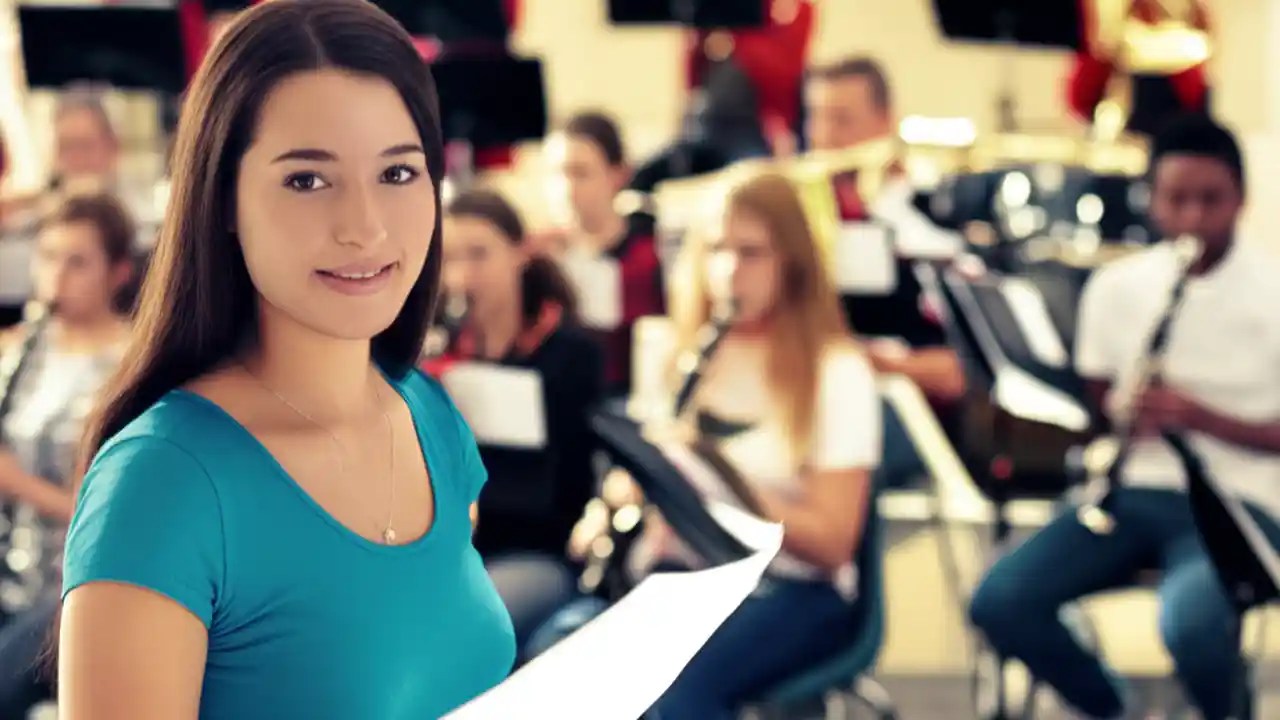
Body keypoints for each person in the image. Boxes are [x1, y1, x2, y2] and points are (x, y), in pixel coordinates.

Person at [56, 2, 515, 718]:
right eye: (308, 179)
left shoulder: (429, 418)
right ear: (224, 199)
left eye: (397, 174)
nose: (364, 227)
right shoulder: (162, 483)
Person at [968, 115, 1280, 720]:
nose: (1192, 217)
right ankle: (1114, 709)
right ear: (1152, 201)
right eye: (1176, 200)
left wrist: (1198, 416)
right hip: (1130, 495)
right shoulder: (1118, 288)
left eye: (1209, 200)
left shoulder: (1273, 291)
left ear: (1241, 198)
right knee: (1000, 600)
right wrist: (1121, 416)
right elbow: (1095, 408)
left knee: (1190, 625)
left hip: (1241, 507)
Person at [538, 172, 882, 719]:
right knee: (558, 655)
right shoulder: (680, 352)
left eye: (751, 253)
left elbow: (834, 543)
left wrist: (717, 486)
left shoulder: (836, 372)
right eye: (717, 250)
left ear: (792, 262)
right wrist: (628, 496)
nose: (728, 272)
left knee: (676, 689)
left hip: (793, 590)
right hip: (688, 574)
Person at [429, 188, 603, 651]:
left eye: (480, 255)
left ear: (521, 254)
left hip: (535, 554)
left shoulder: (568, 354)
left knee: (461, 632)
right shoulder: (437, 355)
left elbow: (569, 492)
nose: (463, 275)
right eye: (450, 258)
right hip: (448, 553)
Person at [0, 193, 134, 718]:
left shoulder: (128, 365)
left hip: (69, 591)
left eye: (77, 261)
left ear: (118, 272)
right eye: (48, 256)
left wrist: (19, 484)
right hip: (11, 571)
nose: (57, 276)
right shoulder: (20, 349)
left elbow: (114, 515)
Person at [803, 56, 965, 488]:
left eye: (842, 121)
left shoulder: (929, 222)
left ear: (885, 123)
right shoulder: (797, 220)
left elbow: (956, 374)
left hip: (901, 413)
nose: (825, 138)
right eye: (815, 118)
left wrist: (872, 364)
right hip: (811, 405)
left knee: (841, 452)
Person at [544, 111, 664, 397]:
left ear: (618, 174)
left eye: (581, 173)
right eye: (557, 173)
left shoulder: (650, 256)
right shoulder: (540, 256)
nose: (567, 188)